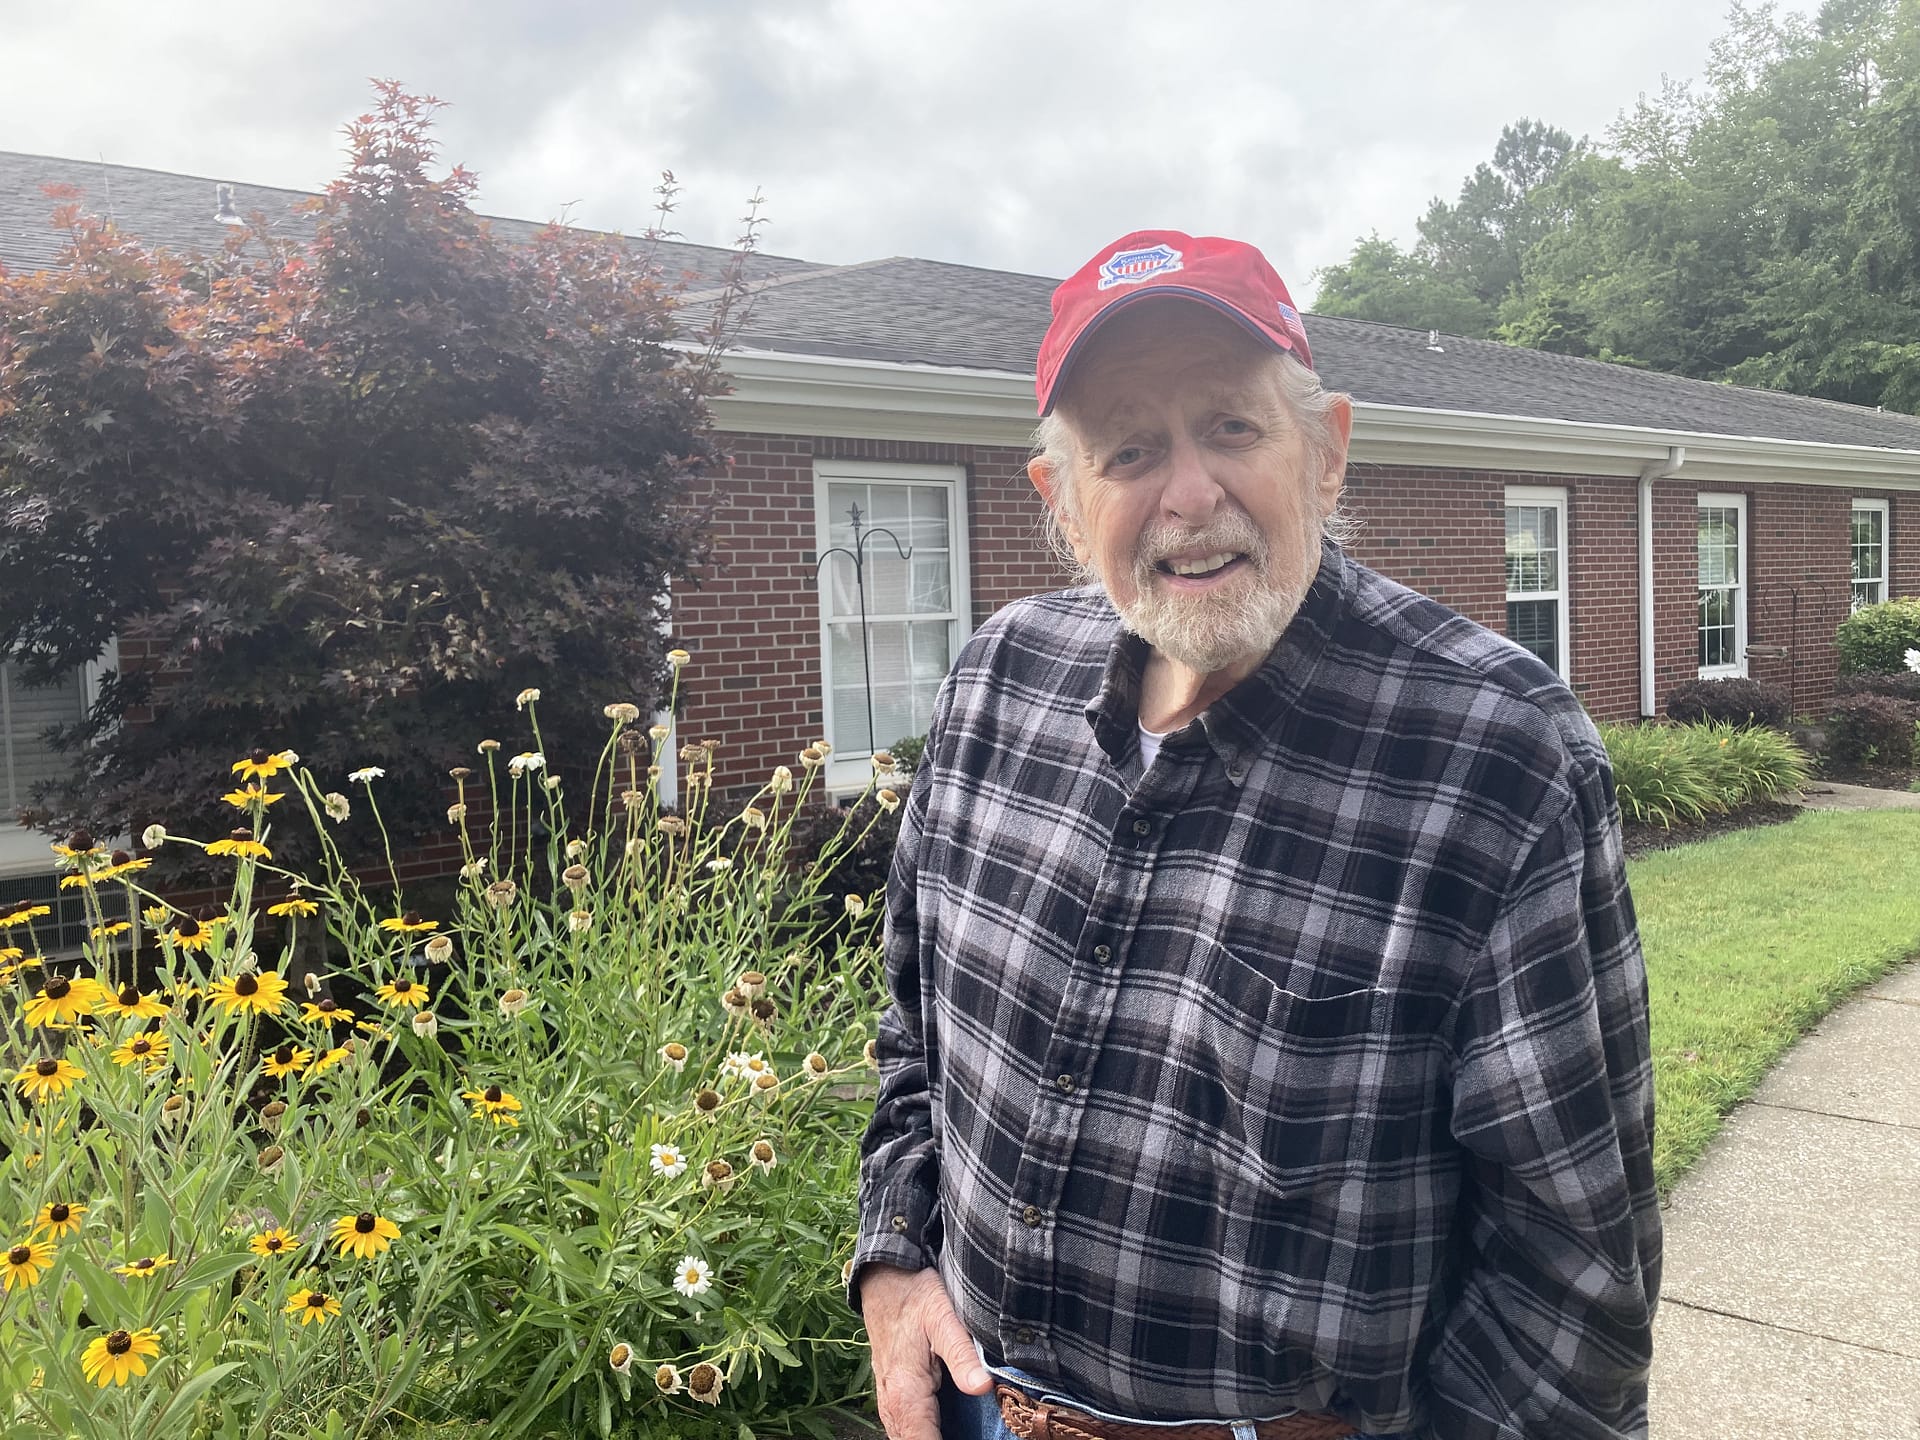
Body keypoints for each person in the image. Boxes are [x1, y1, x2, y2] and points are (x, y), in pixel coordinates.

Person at [852, 230, 1661, 1440]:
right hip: (973, 1411)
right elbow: (912, 1037)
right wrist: (894, 1259)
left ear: (1327, 452)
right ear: (1065, 502)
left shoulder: (1496, 754)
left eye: (1231, 427)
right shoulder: (994, 685)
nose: (1189, 495)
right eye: (1130, 450)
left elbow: (1572, 1284)